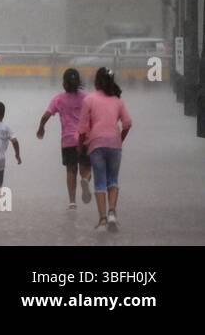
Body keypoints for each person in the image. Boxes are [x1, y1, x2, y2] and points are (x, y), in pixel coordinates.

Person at [78, 66, 133, 232]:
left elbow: (82, 128)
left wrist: (81, 147)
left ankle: (102, 219)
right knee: (113, 181)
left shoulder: (89, 100)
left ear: (97, 81)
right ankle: (112, 213)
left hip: (96, 144)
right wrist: (120, 139)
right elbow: (127, 123)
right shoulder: (118, 101)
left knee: (100, 182)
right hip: (114, 144)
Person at [37, 67, 92, 210]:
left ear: (64, 83)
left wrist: (41, 128)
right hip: (84, 138)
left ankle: (72, 202)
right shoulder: (86, 98)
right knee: (85, 167)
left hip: (68, 140)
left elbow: (45, 116)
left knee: (70, 170)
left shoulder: (59, 99)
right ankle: (85, 180)